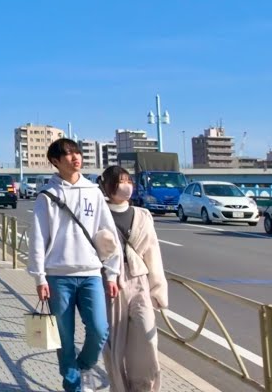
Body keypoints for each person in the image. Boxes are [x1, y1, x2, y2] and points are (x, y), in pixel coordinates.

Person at [29, 138, 121, 392]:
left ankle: (80, 366)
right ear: (55, 162)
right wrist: (39, 278)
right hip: (58, 276)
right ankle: (73, 386)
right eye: (68, 155)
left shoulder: (93, 192)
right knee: (64, 339)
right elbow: (38, 239)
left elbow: (108, 234)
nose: (75, 158)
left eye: (77, 153)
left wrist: (111, 274)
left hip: (91, 273)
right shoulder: (47, 196)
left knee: (100, 329)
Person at [98, 165, 168, 392]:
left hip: (139, 281)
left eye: (128, 180)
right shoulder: (99, 216)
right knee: (114, 344)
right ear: (107, 186)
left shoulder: (142, 215)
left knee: (148, 339)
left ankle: (144, 387)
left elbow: (153, 253)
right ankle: (119, 388)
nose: (126, 185)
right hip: (110, 283)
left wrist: (158, 289)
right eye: (120, 181)